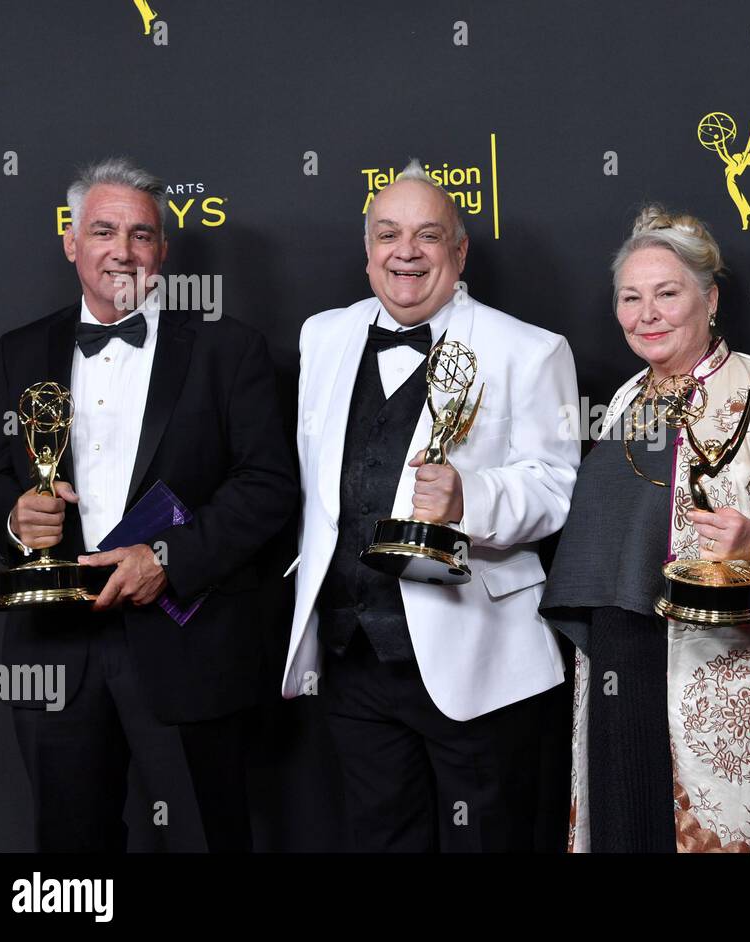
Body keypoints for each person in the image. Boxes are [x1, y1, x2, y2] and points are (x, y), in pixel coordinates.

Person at [0, 157, 298, 851]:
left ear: (163, 251)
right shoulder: (21, 350)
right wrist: (14, 518)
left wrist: (166, 559)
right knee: (69, 851)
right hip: (55, 647)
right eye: (104, 230)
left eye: (141, 235)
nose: (123, 250)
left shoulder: (228, 348)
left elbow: (267, 486)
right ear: (71, 241)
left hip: (185, 638)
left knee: (207, 839)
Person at [281, 158, 580, 852]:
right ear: (367, 251)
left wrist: (470, 497)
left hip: (478, 657)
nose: (405, 253)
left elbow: (556, 487)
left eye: (426, 235)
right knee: (381, 840)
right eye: (388, 235)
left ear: (459, 249)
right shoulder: (322, 336)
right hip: (352, 655)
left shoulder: (530, 351)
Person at [541, 206, 750, 852]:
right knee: (630, 821)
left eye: (666, 293)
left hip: (724, 666)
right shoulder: (627, 399)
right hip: (621, 654)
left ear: (709, 300)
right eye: (630, 297)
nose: (646, 313)